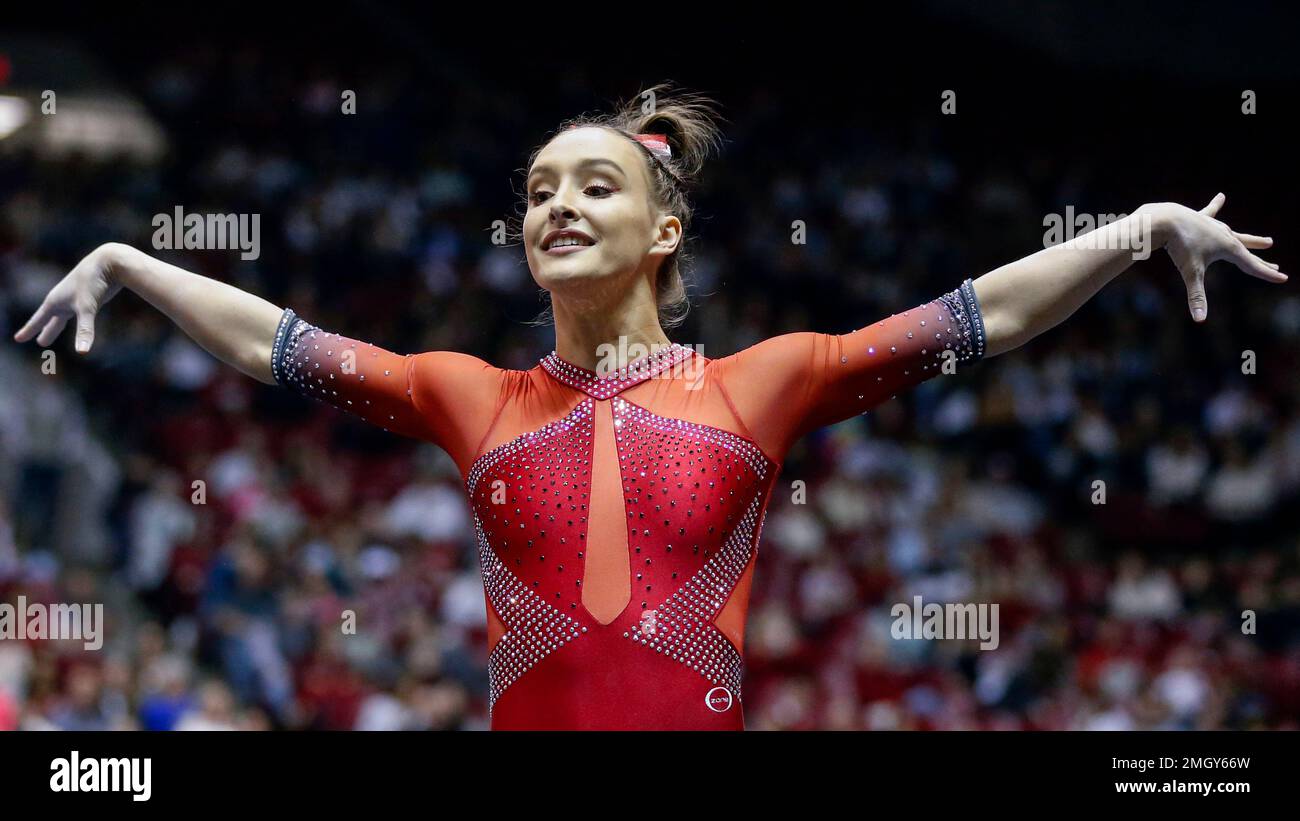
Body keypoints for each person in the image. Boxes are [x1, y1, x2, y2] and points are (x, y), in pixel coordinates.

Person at [12, 85, 1286, 730]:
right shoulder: (474, 396)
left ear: (663, 228)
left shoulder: (760, 383)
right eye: (538, 188)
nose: (557, 203)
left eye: (595, 186)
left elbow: (977, 315)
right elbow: (284, 346)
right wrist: (131, 263)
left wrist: (1129, 233)